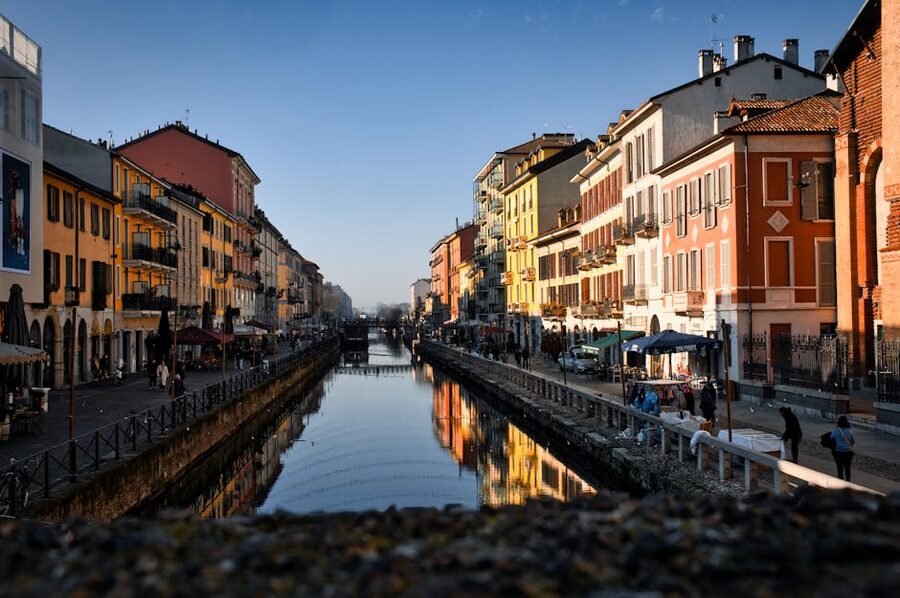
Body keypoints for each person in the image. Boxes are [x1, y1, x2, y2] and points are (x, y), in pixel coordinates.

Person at [830, 416, 856, 481]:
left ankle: (840, 481)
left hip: (837, 452)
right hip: (847, 452)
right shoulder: (850, 432)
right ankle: (848, 481)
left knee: (839, 468)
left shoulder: (835, 431)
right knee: (847, 467)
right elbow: (852, 442)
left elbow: (831, 439)